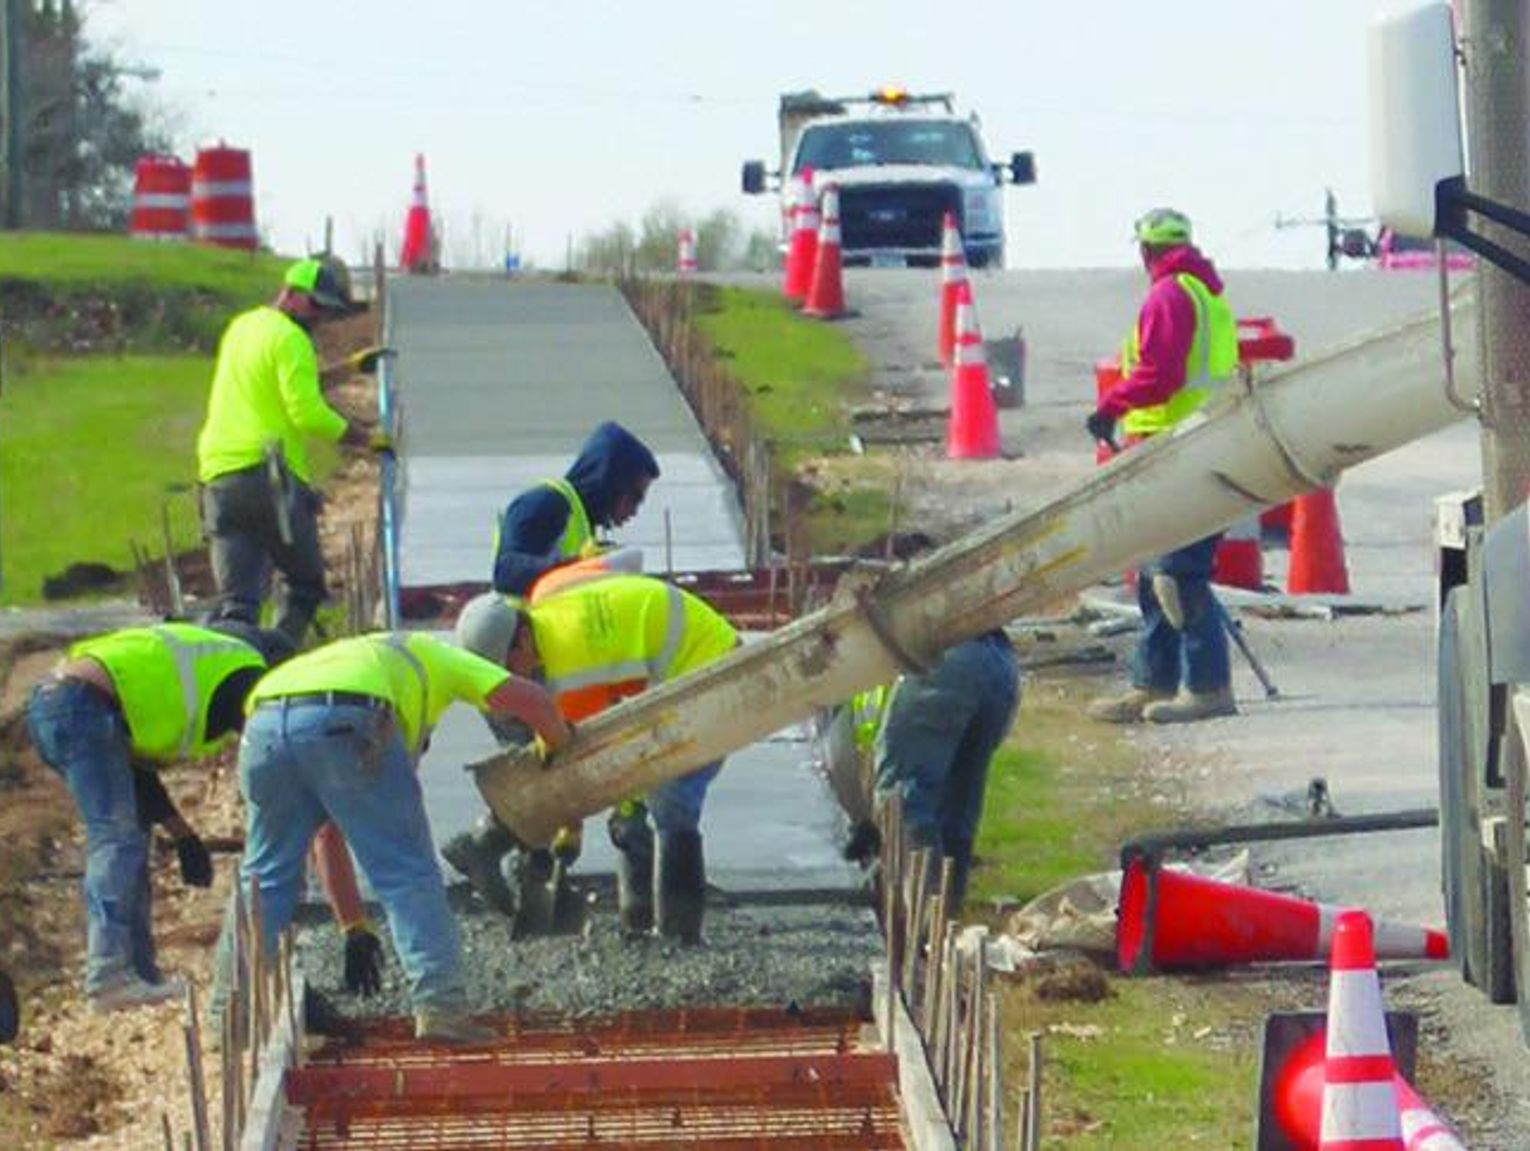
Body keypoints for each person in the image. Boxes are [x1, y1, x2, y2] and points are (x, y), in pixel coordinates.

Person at [235, 630, 569, 1043]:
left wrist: (355, 927)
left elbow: (327, 834)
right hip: (351, 718)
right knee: (407, 874)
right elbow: (532, 701)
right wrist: (559, 751)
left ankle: (231, 1014)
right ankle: (442, 1010)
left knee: (263, 880)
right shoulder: (435, 655)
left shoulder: (348, 660)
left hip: (264, 723)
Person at [455, 574, 737, 944]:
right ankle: (643, 920)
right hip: (673, 666)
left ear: (522, 641)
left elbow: (592, 758)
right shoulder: (546, 625)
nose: (507, 682)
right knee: (641, 805)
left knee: (672, 798)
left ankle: (678, 936)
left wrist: (577, 823)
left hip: (709, 668)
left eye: (506, 669)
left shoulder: (571, 670)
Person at [24, 621, 289, 1013]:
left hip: (61, 705)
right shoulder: (245, 670)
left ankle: (138, 974)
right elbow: (269, 756)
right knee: (115, 839)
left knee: (128, 835)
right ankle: (109, 976)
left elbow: (137, 777)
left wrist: (183, 835)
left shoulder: (200, 659)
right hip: (80, 707)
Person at [1085, 208, 1239, 725]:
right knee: (1155, 572)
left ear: (1146, 251)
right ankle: (1151, 683)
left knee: (1177, 573)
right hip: (1191, 441)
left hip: (1182, 446)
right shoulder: (1201, 292)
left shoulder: (1170, 296)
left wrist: (1112, 405)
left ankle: (1208, 687)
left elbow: (1160, 374)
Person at [195, 255, 388, 644]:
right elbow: (307, 412)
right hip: (269, 480)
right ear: (292, 294)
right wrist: (368, 439)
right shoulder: (292, 337)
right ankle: (277, 661)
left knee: (239, 603)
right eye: (315, 306)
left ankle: (230, 673)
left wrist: (350, 368)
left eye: (326, 311)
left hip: (219, 480)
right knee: (304, 584)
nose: (319, 318)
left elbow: (285, 387)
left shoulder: (243, 327)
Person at [870, 630, 1022, 912]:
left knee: (904, 797)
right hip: (998, 661)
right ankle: (947, 913)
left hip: (945, 659)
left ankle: (922, 915)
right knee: (957, 799)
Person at [489, 421, 660, 595]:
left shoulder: (581, 523)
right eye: (634, 498)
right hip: (516, 621)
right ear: (613, 483)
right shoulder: (547, 502)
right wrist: (582, 566)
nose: (634, 511)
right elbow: (507, 573)